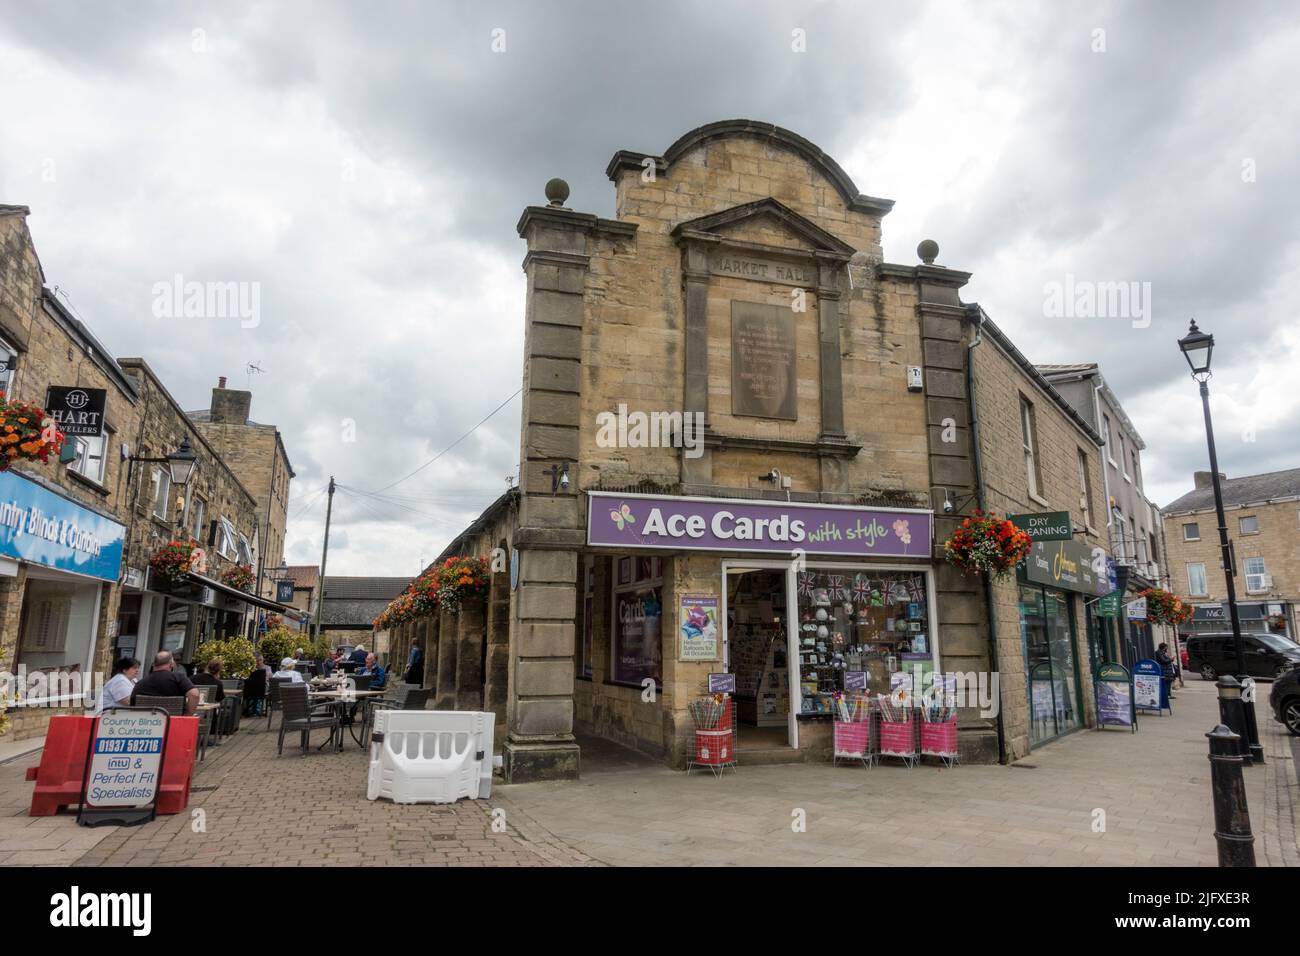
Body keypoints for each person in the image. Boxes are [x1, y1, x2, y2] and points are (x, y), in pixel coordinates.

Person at [130, 651, 200, 714]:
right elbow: (194, 695)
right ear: (171, 664)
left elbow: (132, 706)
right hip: (174, 723)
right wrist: (187, 715)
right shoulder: (179, 678)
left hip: (147, 725)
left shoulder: (141, 683)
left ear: (154, 664)